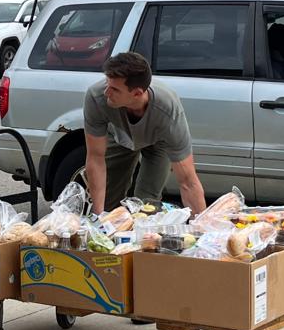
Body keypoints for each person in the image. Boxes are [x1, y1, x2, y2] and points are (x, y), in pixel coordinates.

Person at [83, 52, 206, 215]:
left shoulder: (167, 111)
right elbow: (95, 158)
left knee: (146, 203)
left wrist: (204, 231)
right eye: (107, 84)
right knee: (108, 202)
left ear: (137, 93)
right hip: (120, 135)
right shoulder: (96, 97)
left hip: (158, 141)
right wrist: (99, 218)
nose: (106, 92)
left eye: (114, 89)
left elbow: (188, 182)